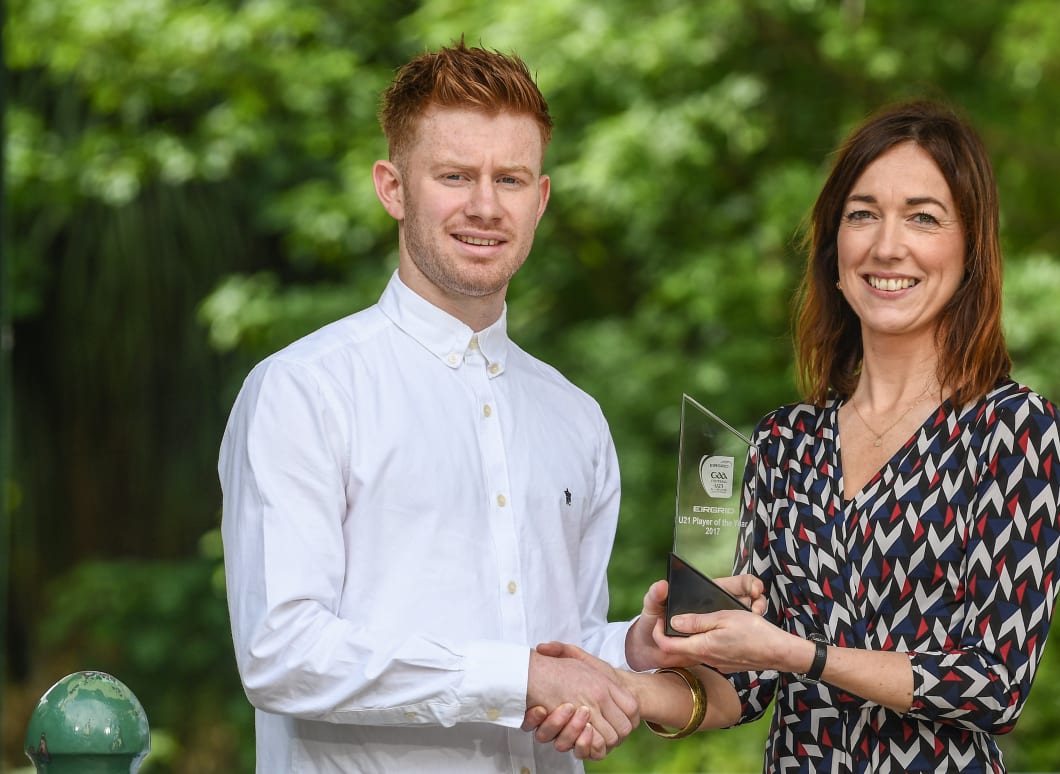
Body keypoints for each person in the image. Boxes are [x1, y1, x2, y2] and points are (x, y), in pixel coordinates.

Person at [218, 39, 763, 773]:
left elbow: (558, 643)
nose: (484, 205)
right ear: (392, 187)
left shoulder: (576, 418)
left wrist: (632, 645)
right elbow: (280, 653)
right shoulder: (304, 391)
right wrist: (522, 680)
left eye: (510, 178)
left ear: (539, 199)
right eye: (453, 175)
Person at [534, 99, 1060, 773]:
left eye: (923, 217)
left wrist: (794, 652)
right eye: (862, 214)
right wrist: (633, 681)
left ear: (969, 251)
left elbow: (995, 684)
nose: (886, 245)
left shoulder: (1012, 431)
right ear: (834, 250)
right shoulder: (785, 444)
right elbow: (746, 687)